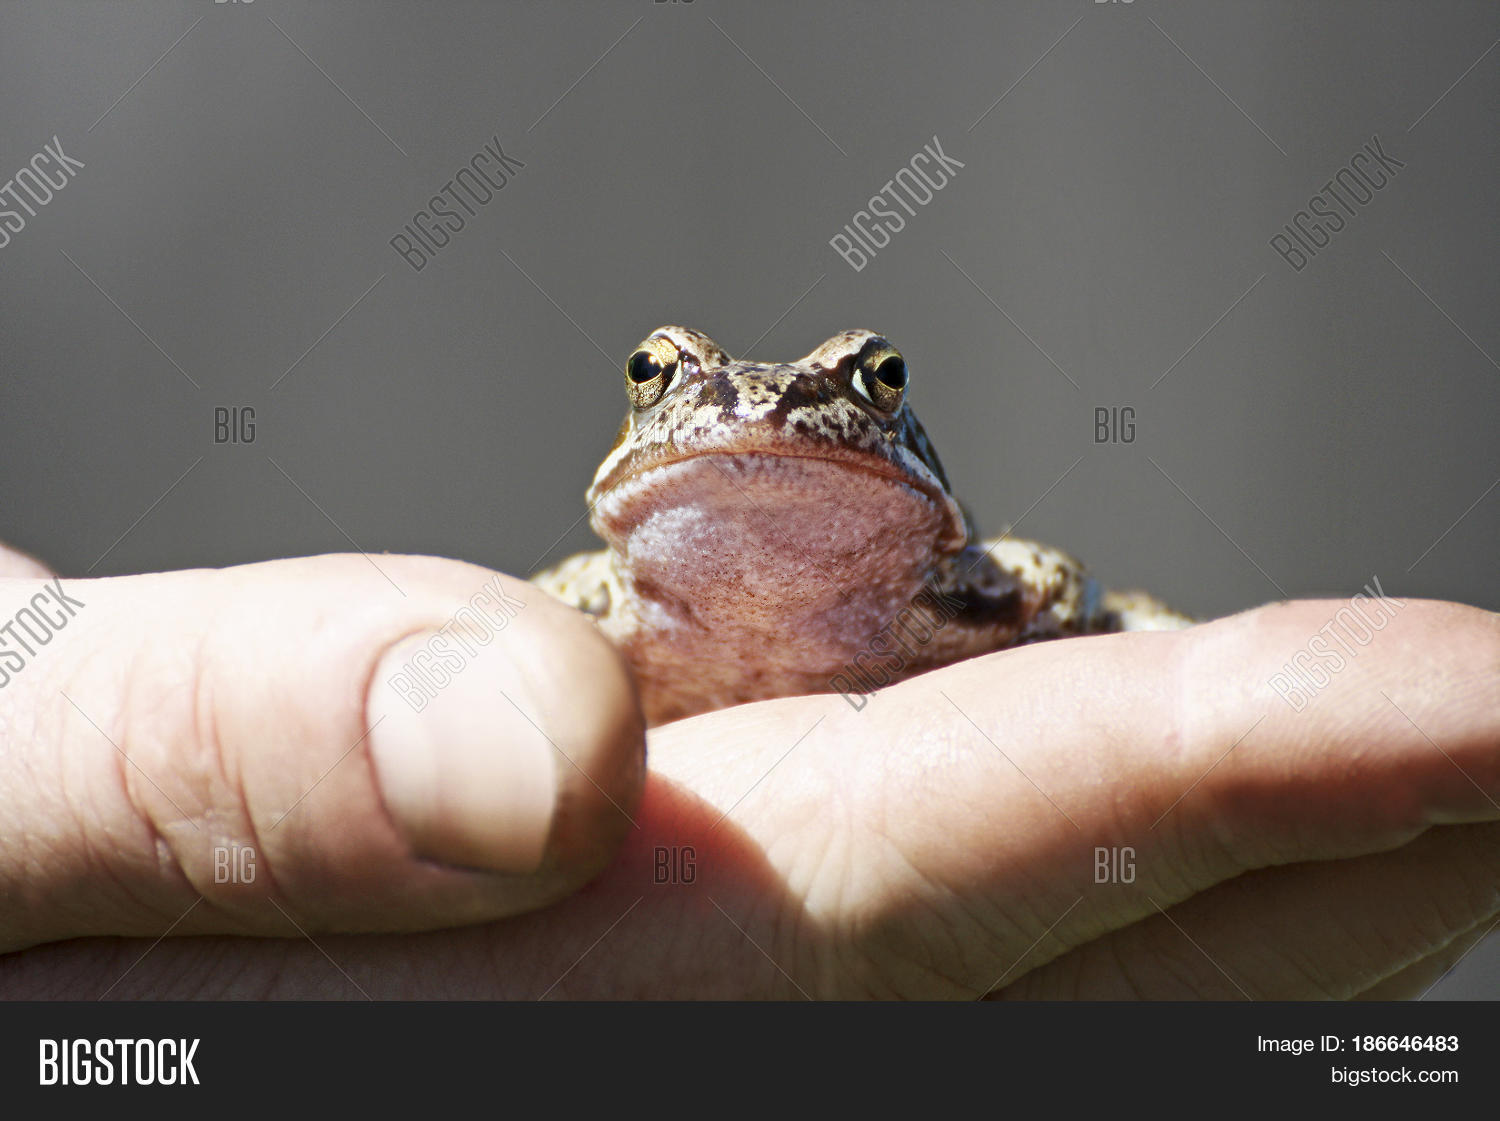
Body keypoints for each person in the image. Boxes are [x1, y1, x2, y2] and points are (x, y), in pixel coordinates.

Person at [0, 542, 1495, 999]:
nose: (758, 415)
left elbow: (1052, 576)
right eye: (671, 380)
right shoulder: (592, 593)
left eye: (868, 380)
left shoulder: (952, 580)